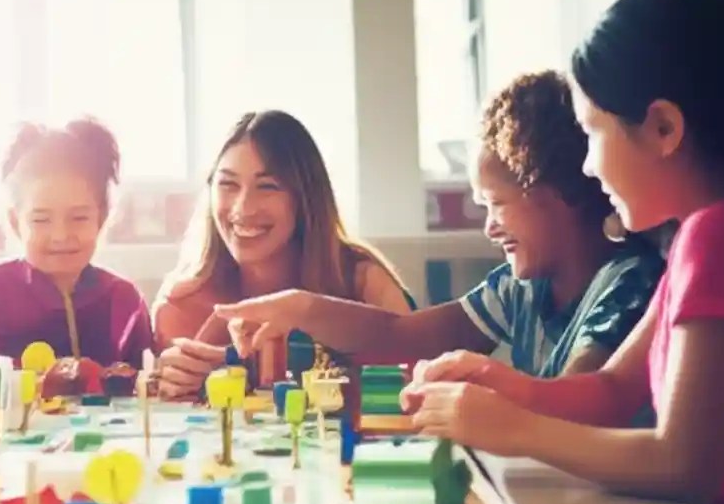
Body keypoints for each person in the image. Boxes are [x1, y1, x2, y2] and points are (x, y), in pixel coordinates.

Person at [404, 0, 724, 504]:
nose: (589, 167)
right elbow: (617, 389)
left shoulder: (722, 237)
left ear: (664, 128)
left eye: (593, 133)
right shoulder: (705, 239)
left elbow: (685, 464)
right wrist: (505, 386)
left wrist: (518, 429)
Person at [216, 73, 664, 382]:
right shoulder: (518, 288)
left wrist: (485, 386)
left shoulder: (629, 281)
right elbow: (399, 336)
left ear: (557, 192)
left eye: (496, 204)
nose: (489, 227)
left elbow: (580, 396)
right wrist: (298, 309)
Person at [153, 110, 410, 399]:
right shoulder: (181, 302)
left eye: (267, 187)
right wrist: (173, 382)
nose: (243, 208)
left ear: (305, 198)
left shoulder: (362, 282)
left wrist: (248, 372)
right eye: (228, 184)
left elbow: (415, 381)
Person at [0, 119, 153, 367]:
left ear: (101, 217)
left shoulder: (124, 299)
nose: (60, 235)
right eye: (41, 219)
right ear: (15, 221)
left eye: (79, 218)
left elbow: (144, 383)